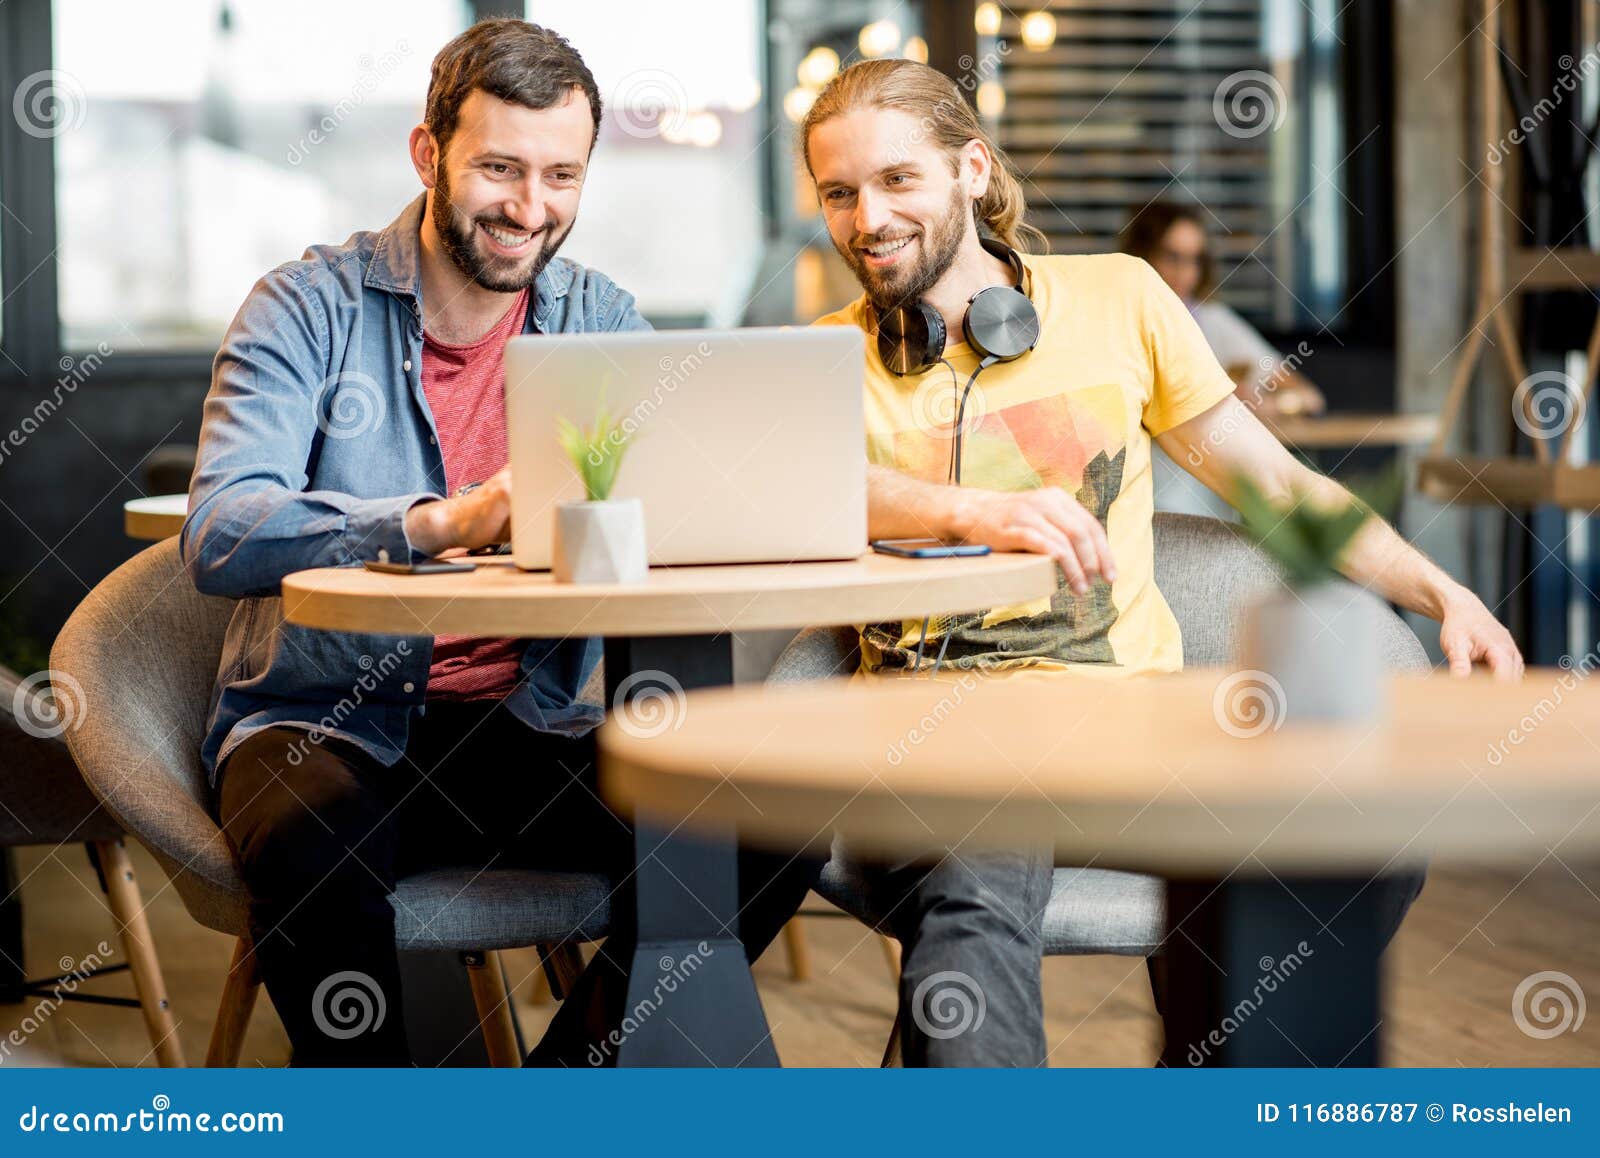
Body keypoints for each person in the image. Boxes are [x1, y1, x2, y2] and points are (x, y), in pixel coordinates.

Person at [798, 58, 1521, 1067]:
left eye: (896, 181)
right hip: (946, 734)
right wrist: (968, 507)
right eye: (838, 192)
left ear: (970, 168)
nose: (865, 217)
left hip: (1125, 726)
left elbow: (1279, 487)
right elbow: (792, 492)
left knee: (1361, 828)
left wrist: (1443, 592)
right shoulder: (823, 360)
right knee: (973, 885)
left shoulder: (1118, 299)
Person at [182, 18, 817, 1066]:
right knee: (312, 853)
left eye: (562, 174)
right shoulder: (305, 307)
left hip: (528, 724)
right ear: (429, 153)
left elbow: (700, 489)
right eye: (500, 169)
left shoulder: (596, 316)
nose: (531, 208)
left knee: (769, 830)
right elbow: (220, 531)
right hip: (332, 722)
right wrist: (441, 522)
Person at [1120, 201, 1325, 520]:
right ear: (1142, 256)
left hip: (1204, 507)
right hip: (1135, 506)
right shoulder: (1119, 324)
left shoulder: (1212, 322)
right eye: (1171, 257)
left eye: (1194, 260)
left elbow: (1309, 398)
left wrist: (1254, 405)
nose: (1184, 273)